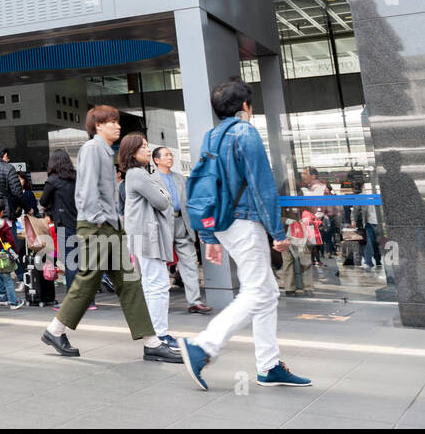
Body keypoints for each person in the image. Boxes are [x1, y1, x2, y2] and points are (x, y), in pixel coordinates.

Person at [179, 80, 312, 389]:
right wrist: (277, 231)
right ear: (245, 107)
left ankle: (269, 366)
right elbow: (261, 184)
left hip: (223, 224)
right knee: (258, 291)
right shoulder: (244, 132)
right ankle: (203, 346)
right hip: (245, 222)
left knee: (267, 293)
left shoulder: (211, 136)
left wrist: (210, 237)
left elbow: (207, 188)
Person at [41, 106, 179, 363]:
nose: (117, 126)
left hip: (107, 227)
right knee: (89, 279)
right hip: (98, 227)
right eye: (110, 122)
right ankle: (55, 330)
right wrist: (100, 222)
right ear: (97, 126)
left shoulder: (104, 151)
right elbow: (87, 191)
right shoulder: (94, 149)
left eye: (117, 121)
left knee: (128, 283)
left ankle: (151, 342)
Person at [121, 135, 178, 349]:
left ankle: (155, 333)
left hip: (145, 236)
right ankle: (159, 335)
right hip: (147, 236)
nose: (147, 150)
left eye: (147, 145)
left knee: (153, 284)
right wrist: (164, 193)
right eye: (142, 147)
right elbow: (163, 201)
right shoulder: (138, 174)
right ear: (131, 152)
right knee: (158, 285)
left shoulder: (139, 174)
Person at [151, 146, 211, 314]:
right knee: (159, 267)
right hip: (163, 227)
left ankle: (194, 302)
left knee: (190, 264)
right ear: (156, 160)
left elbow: (190, 203)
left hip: (183, 224)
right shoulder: (151, 180)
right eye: (166, 155)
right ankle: (158, 304)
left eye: (171, 154)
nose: (170, 157)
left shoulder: (181, 179)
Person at [40, 148, 90, 307]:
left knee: (70, 263)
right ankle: (89, 300)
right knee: (82, 262)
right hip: (81, 223)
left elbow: (42, 201)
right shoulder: (76, 178)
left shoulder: (53, 181)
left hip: (63, 225)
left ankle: (71, 301)